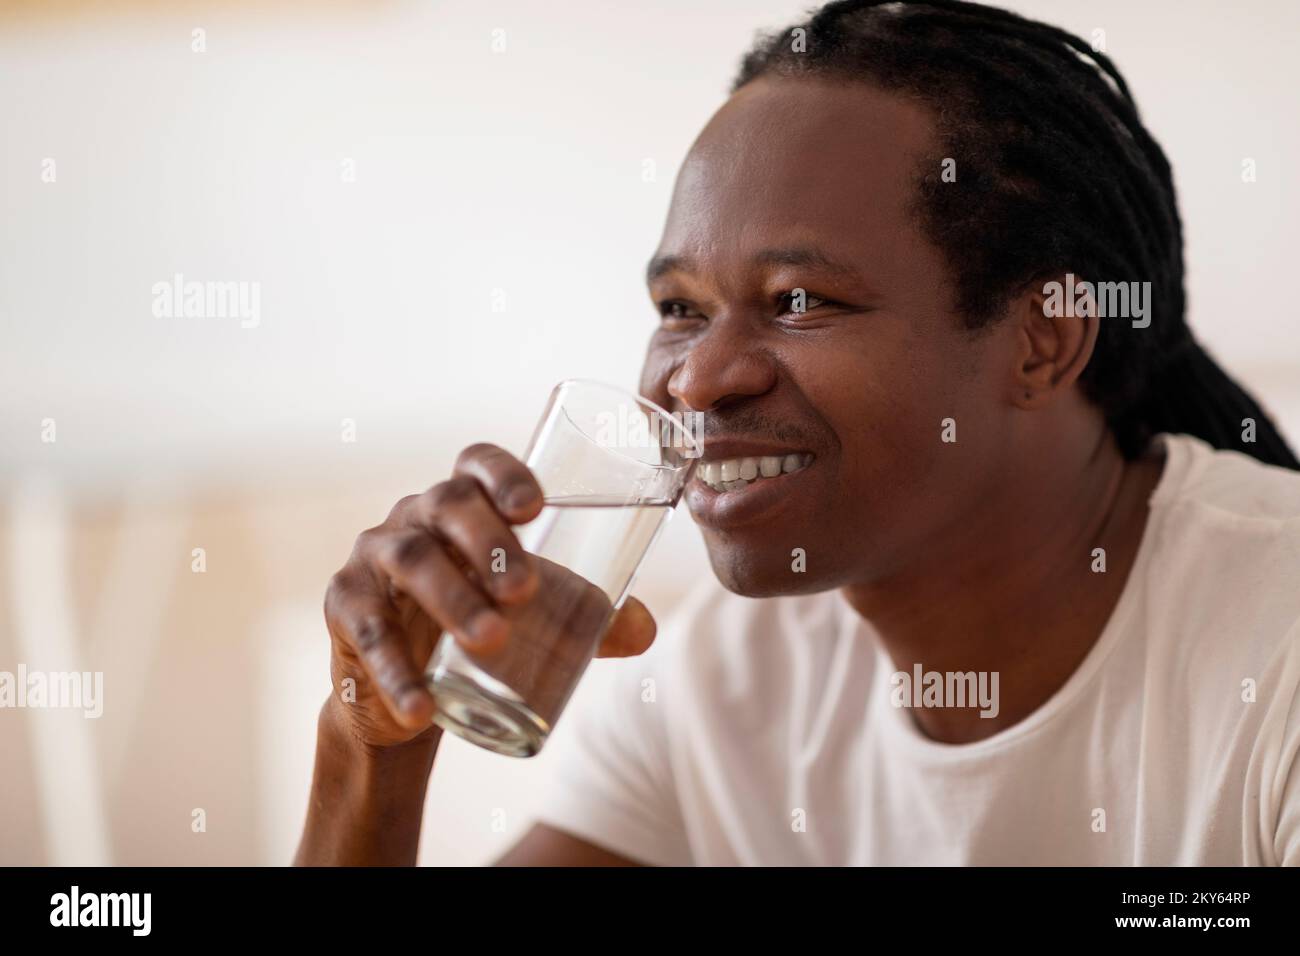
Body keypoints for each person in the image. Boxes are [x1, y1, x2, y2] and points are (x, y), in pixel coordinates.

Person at [294, 0, 1300, 866]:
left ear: (1041, 342)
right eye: (680, 307)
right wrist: (369, 741)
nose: (696, 377)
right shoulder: (728, 678)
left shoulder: (1274, 647)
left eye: (801, 298)